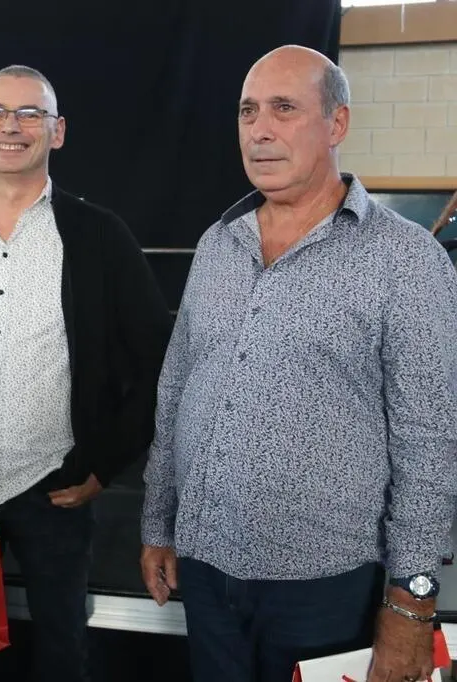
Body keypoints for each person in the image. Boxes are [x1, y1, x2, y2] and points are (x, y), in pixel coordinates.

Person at [140, 45, 457, 682]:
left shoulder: (407, 261)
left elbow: (432, 444)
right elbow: (177, 388)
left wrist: (414, 603)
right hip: (205, 571)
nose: (259, 130)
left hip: (326, 590)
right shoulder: (217, 244)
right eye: (248, 111)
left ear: (336, 124)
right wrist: (157, 521)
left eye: (283, 109)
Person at [0, 65, 172, 681]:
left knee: (62, 658)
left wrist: (104, 462)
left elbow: (161, 362)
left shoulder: (99, 237)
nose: (10, 127)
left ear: (58, 131)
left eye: (29, 114)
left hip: (56, 492)